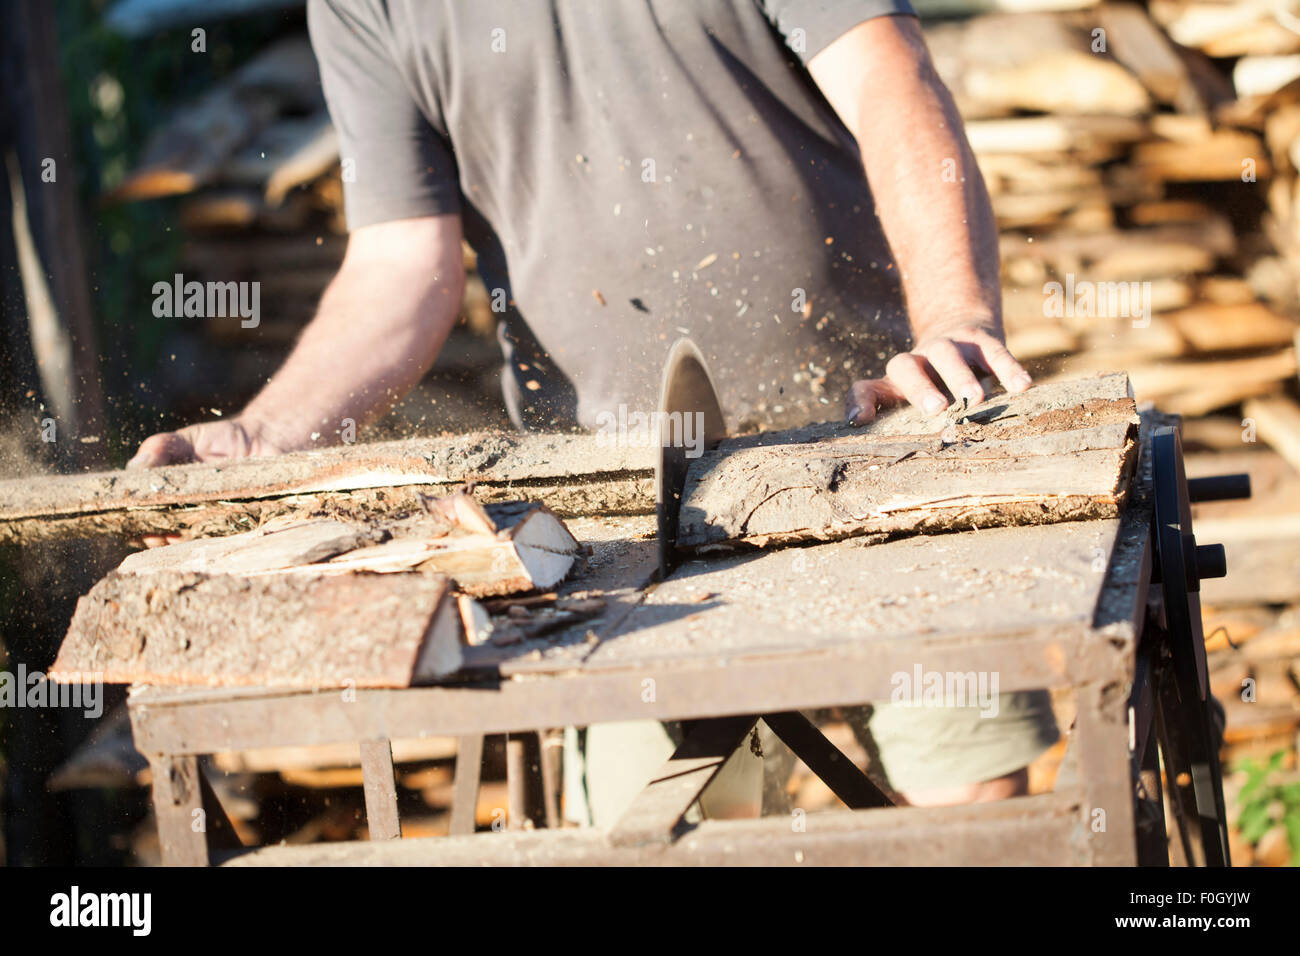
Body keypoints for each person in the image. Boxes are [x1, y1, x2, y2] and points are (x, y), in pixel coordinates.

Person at [130, 0, 1058, 824]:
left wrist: (954, 320)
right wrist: (262, 439)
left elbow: (887, 77)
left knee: (966, 808)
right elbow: (401, 262)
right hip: (620, 508)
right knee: (667, 835)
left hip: (882, 439)